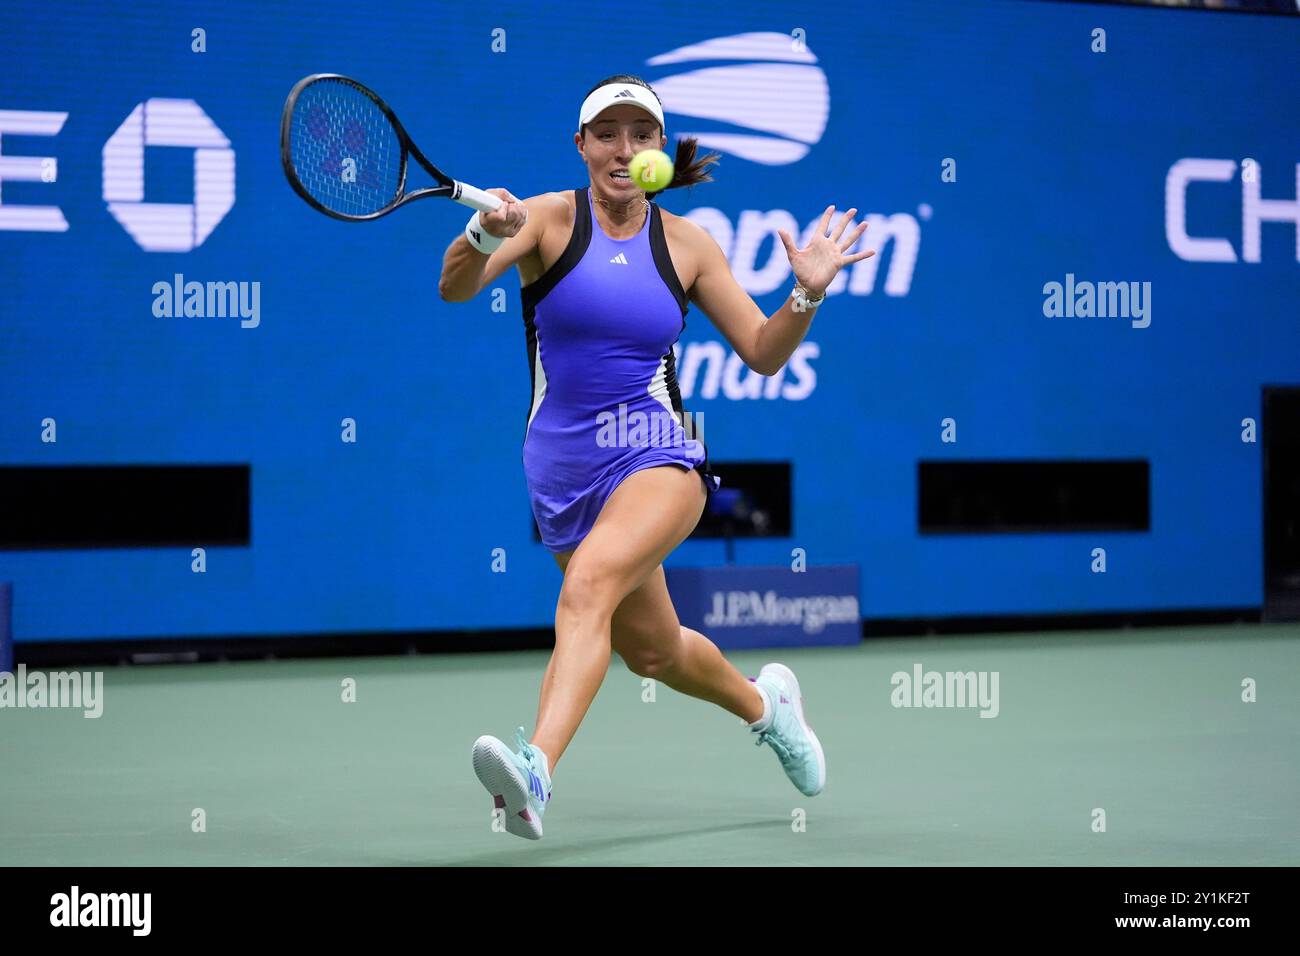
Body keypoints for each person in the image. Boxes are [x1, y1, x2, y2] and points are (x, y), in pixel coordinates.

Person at [439, 74, 873, 840]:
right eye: (608, 133)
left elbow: (764, 353)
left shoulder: (687, 245)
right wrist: (482, 233)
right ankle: (768, 708)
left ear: (659, 152)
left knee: (590, 591)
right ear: (581, 146)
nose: (624, 148)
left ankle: (533, 770)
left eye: (642, 134)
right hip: (560, 475)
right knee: (654, 652)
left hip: (654, 452)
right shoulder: (543, 219)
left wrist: (806, 295)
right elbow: (454, 289)